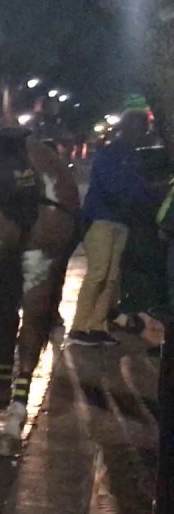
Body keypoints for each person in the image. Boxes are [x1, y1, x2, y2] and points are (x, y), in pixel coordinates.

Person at [68, 109, 165, 347]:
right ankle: (80, 326)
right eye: (136, 128)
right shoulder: (111, 154)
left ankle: (97, 326)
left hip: (119, 221)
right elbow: (116, 187)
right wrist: (147, 195)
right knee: (99, 273)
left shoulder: (131, 156)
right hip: (101, 218)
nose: (139, 133)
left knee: (111, 278)